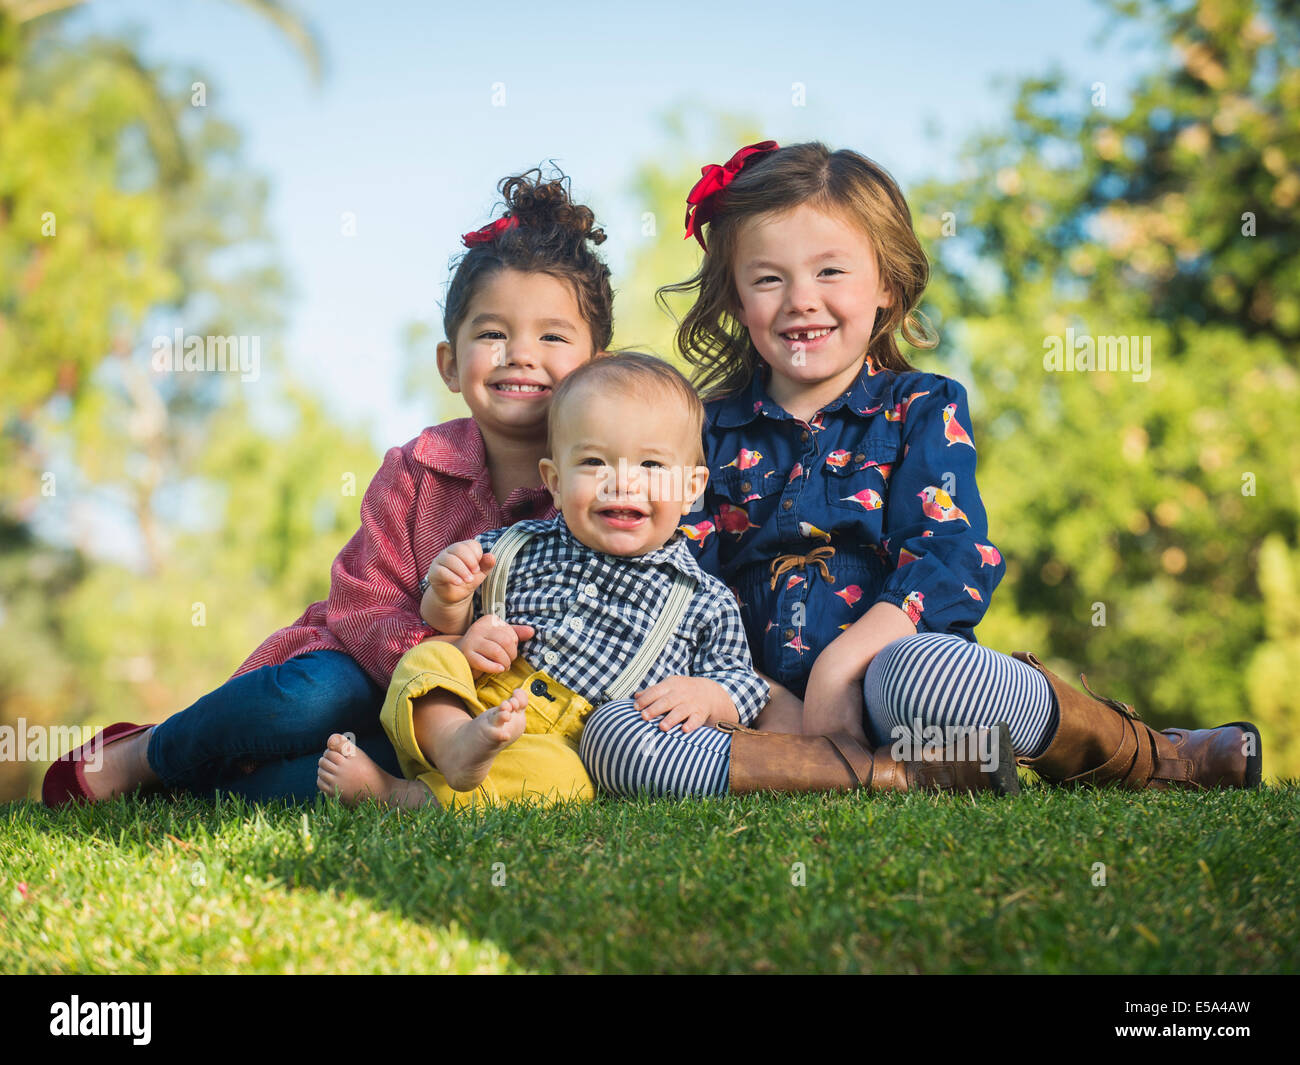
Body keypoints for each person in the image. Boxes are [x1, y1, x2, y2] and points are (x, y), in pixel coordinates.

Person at [578, 140, 1261, 797]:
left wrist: (841, 667)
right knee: (618, 732)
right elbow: (679, 572)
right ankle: (892, 775)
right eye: (768, 279)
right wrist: (742, 689)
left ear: (887, 285)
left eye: (830, 271)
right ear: (735, 297)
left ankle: (1146, 753)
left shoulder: (922, 408)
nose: (800, 299)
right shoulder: (696, 429)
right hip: (756, 708)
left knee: (926, 674)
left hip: (889, 684)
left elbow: (949, 554)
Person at [42, 168, 615, 806]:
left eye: (553, 336)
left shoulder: (609, 494)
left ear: (598, 369)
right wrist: (448, 646)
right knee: (315, 699)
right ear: (450, 364)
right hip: (357, 676)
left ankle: (204, 786)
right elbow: (359, 609)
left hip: (459, 725)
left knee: (344, 772)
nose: (520, 354)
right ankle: (146, 752)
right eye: (492, 333)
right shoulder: (418, 469)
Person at [315, 353, 770, 809]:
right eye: (594, 462)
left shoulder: (703, 598)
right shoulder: (515, 545)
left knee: (563, 780)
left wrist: (710, 695)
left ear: (691, 489)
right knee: (427, 658)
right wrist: (450, 594)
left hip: (574, 740)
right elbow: (439, 620)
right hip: (480, 702)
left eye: (651, 466)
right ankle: (454, 744)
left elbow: (744, 683)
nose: (622, 483)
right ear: (554, 481)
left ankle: (401, 797)